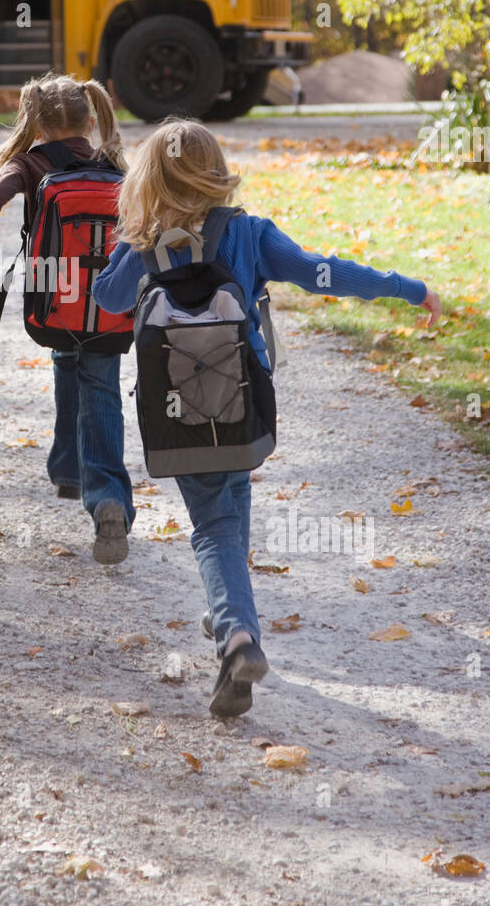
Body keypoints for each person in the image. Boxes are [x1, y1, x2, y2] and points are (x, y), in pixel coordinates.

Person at [92, 119, 441, 716]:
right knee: (230, 503)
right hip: (245, 401)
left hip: (178, 409)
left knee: (212, 524)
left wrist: (126, 244)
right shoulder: (249, 233)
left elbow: (108, 299)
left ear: (149, 177)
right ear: (216, 171)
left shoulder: (144, 242)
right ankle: (230, 609)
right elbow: (321, 272)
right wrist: (407, 288)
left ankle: (236, 637)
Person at [0, 73, 136, 563]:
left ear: (35, 123)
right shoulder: (112, 163)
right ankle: (102, 493)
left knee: (65, 358)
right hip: (109, 298)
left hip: (51, 291)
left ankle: (76, 475)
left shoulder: (29, 162)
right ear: (89, 119)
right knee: (98, 383)